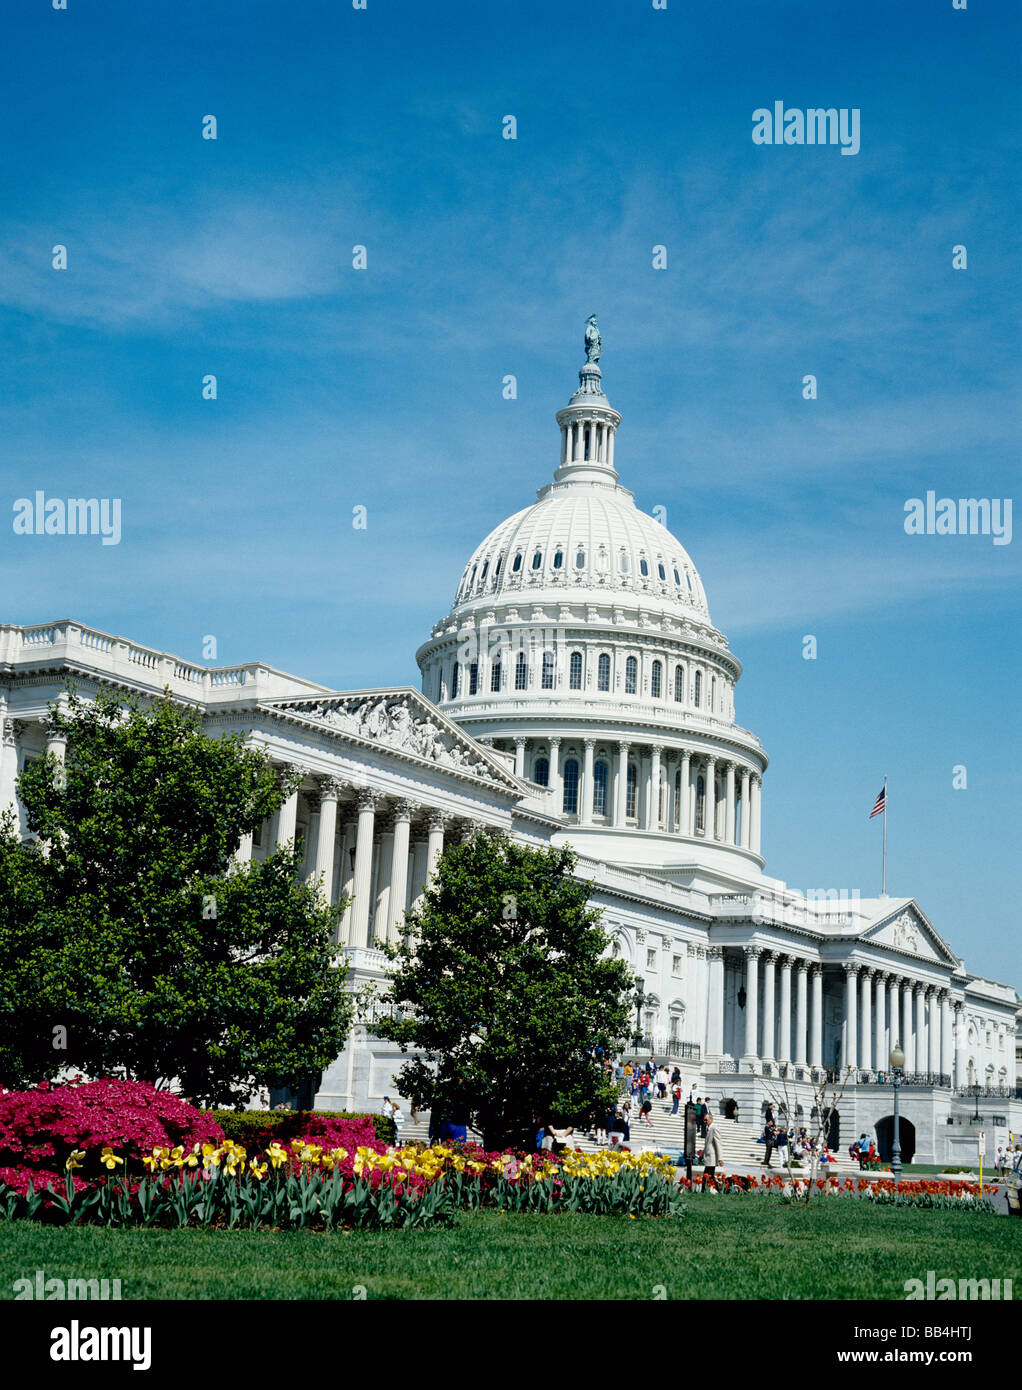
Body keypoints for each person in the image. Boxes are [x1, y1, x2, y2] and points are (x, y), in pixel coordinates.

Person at [701, 1111, 723, 1191]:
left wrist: (720, 1158)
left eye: (706, 1120)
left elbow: (718, 1144)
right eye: (704, 1120)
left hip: (712, 1158)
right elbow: (707, 1145)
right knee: (709, 1176)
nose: (705, 1122)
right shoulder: (709, 1129)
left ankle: (705, 1190)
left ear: (711, 1119)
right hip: (708, 1157)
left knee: (707, 1176)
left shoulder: (714, 1128)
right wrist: (701, 1155)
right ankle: (718, 1189)